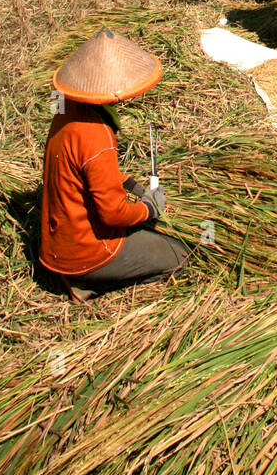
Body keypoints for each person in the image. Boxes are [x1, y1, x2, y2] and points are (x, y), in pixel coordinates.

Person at [40, 26, 189, 302]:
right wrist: (147, 209)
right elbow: (113, 214)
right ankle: (88, 281)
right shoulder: (97, 135)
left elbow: (83, 171)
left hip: (56, 243)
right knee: (179, 255)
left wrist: (130, 184)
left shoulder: (65, 110)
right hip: (86, 253)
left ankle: (83, 274)